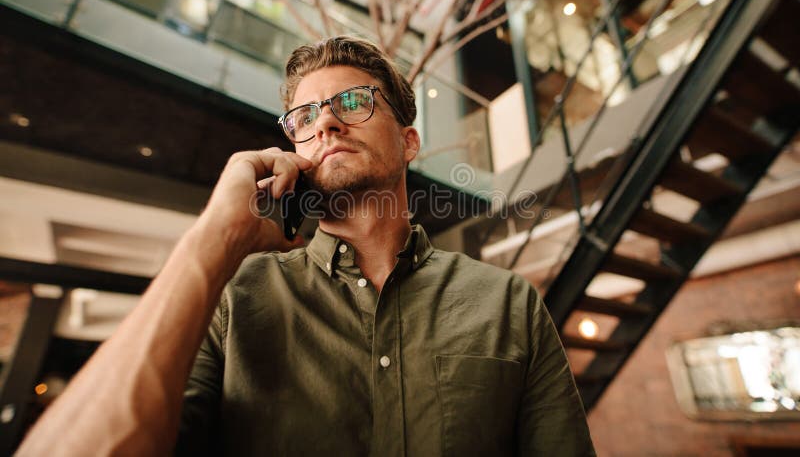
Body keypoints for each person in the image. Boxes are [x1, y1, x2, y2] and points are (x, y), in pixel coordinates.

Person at [17, 36, 595, 456]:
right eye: (304, 116)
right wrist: (215, 238)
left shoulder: (507, 302)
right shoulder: (236, 296)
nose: (326, 124)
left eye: (351, 103)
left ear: (409, 140)